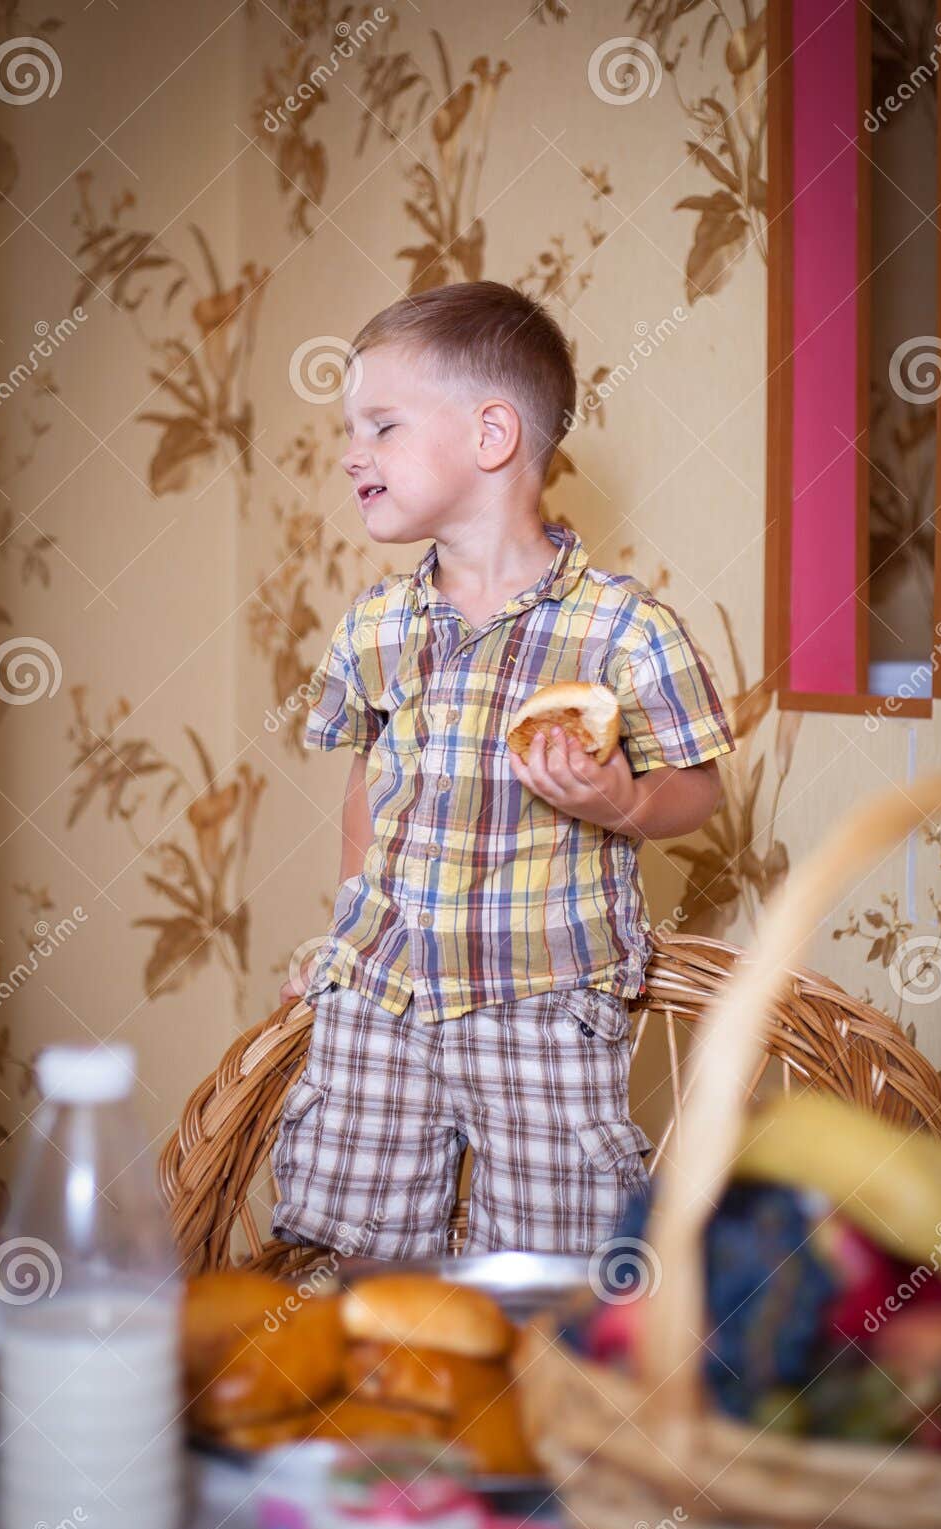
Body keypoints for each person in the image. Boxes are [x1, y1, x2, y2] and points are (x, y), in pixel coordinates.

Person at [270, 280, 735, 1257]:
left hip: (542, 1002)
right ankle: (370, 1406)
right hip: (380, 1002)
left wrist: (623, 797)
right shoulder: (374, 625)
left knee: (558, 1271)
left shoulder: (623, 628)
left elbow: (698, 790)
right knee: (346, 1256)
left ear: (492, 436)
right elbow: (371, 788)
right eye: (350, 429)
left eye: (381, 425)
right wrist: (345, 932)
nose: (351, 451)